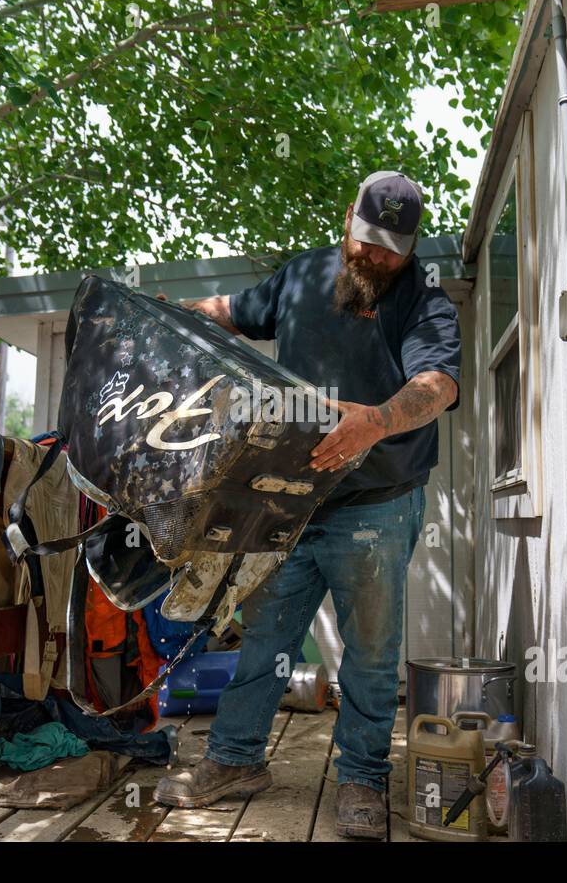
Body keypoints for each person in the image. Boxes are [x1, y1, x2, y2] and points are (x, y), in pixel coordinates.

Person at [154, 171, 462, 838]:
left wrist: (378, 419)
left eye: (391, 248)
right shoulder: (300, 276)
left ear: (412, 246)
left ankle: (362, 777)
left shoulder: (423, 296)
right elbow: (233, 312)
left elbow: (437, 384)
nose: (374, 257)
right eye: (366, 240)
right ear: (346, 217)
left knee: (371, 650)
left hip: (377, 502)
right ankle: (233, 760)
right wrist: (169, 315)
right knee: (266, 637)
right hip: (287, 502)